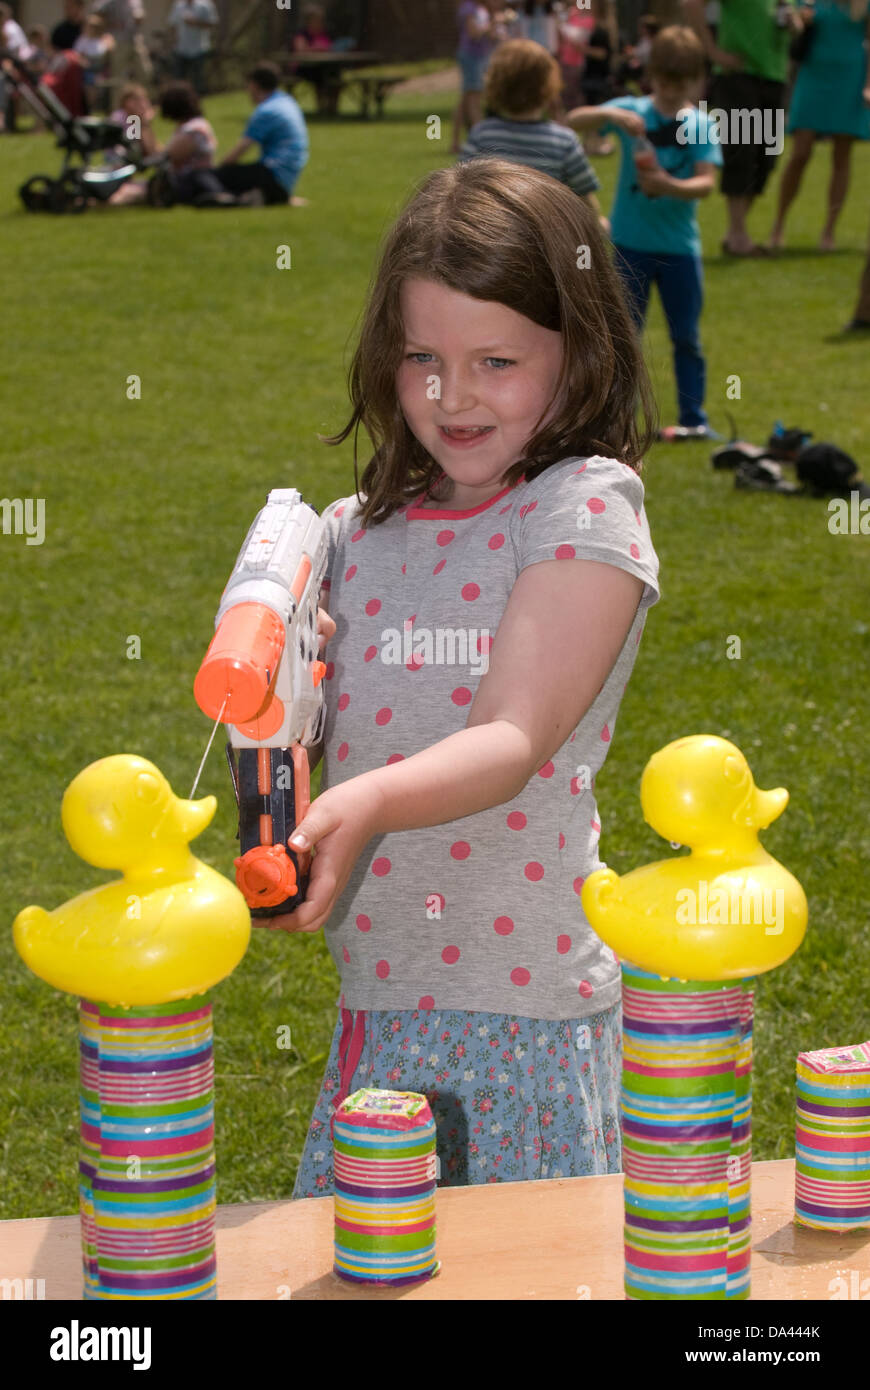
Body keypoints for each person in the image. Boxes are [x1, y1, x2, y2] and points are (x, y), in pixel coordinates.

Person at [265, 156, 660, 1195]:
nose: (451, 395)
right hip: (381, 1009)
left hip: (522, 1016)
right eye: (421, 359)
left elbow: (511, 736)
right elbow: (316, 739)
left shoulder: (580, 509)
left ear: (578, 356)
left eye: (496, 361)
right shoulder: (357, 531)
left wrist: (364, 797)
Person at [568, 24, 723, 441]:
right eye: (664, 81)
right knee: (622, 338)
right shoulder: (632, 112)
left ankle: (693, 418)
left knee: (686, 337)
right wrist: (607, 114)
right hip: (629, 246)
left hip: (679, 249)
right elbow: (572, 121)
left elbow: (706, 184)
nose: (670, 92)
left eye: (680, 83)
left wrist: (668, 187)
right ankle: (618, 420)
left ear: (696, 79)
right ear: (651, 74)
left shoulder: (701, 125)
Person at [681, 0, 798, 255]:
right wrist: (712, 52)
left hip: (774, 76)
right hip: (738, 76)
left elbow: (794, 27)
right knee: (741, 152)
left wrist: (794, 24)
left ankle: (736, 233)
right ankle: (738, 237)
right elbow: (691, 4)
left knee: (766, 157)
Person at [458, 38, 606, 229]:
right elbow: (586, 198)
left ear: (495, 85)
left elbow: (461, 187)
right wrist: (601, 225)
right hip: (548, 243)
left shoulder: (482, 134)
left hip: (493, 239)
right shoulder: (563, 140)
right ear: (548, 87)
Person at [768, 0, 870, 252]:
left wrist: (869, 84)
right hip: (813, 74)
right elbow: (793, 29)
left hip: (850, 76)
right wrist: (800, 20)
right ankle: (778, 224)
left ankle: (829, 231)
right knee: (800, 153)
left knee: (841, 156)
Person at [216, 61, 309, 206]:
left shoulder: (267, 111)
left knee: (219, 177)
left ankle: (249, 197)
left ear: (254, 85)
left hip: (274, 175)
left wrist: (217, 171)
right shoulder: (286, 101)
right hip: (288, 176)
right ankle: (259, 196)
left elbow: (241, 149)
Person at [451, 0, 501, 152]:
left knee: (466, 99)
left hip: (479, 56)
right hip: (471, 57)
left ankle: (456, 142)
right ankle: (481, 142)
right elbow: (474, 33)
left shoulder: (480, 8)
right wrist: (492, 24)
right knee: (473, 99)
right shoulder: (469, 7)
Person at [291, 3, 336, 116]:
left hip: (320, 67)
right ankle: (322, 108)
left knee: (335, 75)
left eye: (320, 20)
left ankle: (330, 108)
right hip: (303, 68)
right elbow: (301, 51)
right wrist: (316, 49)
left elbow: (330, 49)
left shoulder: (323, 34)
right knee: (321, 76)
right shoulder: (302, 34)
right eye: (316, 20)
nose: (319, 23)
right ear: (308, 21)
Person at [167, 0, 218, 95]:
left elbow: (212, 23)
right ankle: (180, 98)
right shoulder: (178, 6)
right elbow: (172, 25)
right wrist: (173, 41)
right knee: (179, 79)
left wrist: (195, 22)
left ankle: (196, 100)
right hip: (181, 48)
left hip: (199, 48)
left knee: (198, 79)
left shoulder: (205, 5)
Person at [74, 12, 114, 102]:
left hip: (103, 69)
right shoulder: (82, 40)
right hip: (87, 69)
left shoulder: (105, 39)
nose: (92, 29)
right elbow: (76, 56)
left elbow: (110, 52)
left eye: (95, 26)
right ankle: (92, 105)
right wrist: (84, 63)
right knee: (90, 79)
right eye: (90, 26)